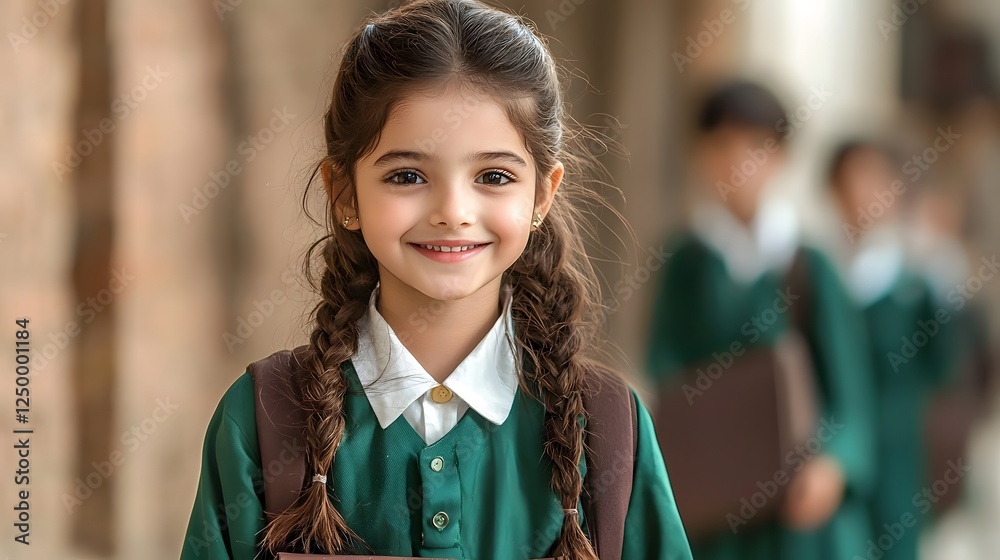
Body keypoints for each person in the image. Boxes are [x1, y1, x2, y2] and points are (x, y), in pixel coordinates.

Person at [179, 1, 693, 558]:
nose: (453, 212)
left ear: (542, 195)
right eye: (407, 176)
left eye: (493, 176)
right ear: (344, 193)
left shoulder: (609, 430)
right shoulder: (264, 419)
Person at [644, 81, 876, 560]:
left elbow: (850, 393)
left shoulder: (809, 266)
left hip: (800, 513)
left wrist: (833, 465)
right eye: (723, 146)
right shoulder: (685, 264)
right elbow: (666, 371)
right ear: (700, 154)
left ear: (781, 157)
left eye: (756, 147)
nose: (739, 163)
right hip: (715, 508)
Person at [827, 140, 961, 560]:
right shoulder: (817, 276)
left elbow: (944, 366)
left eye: (874, 180)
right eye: (850, 181)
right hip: (831, 461)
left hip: (898, 456)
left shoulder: (916, 284)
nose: (862, 194)